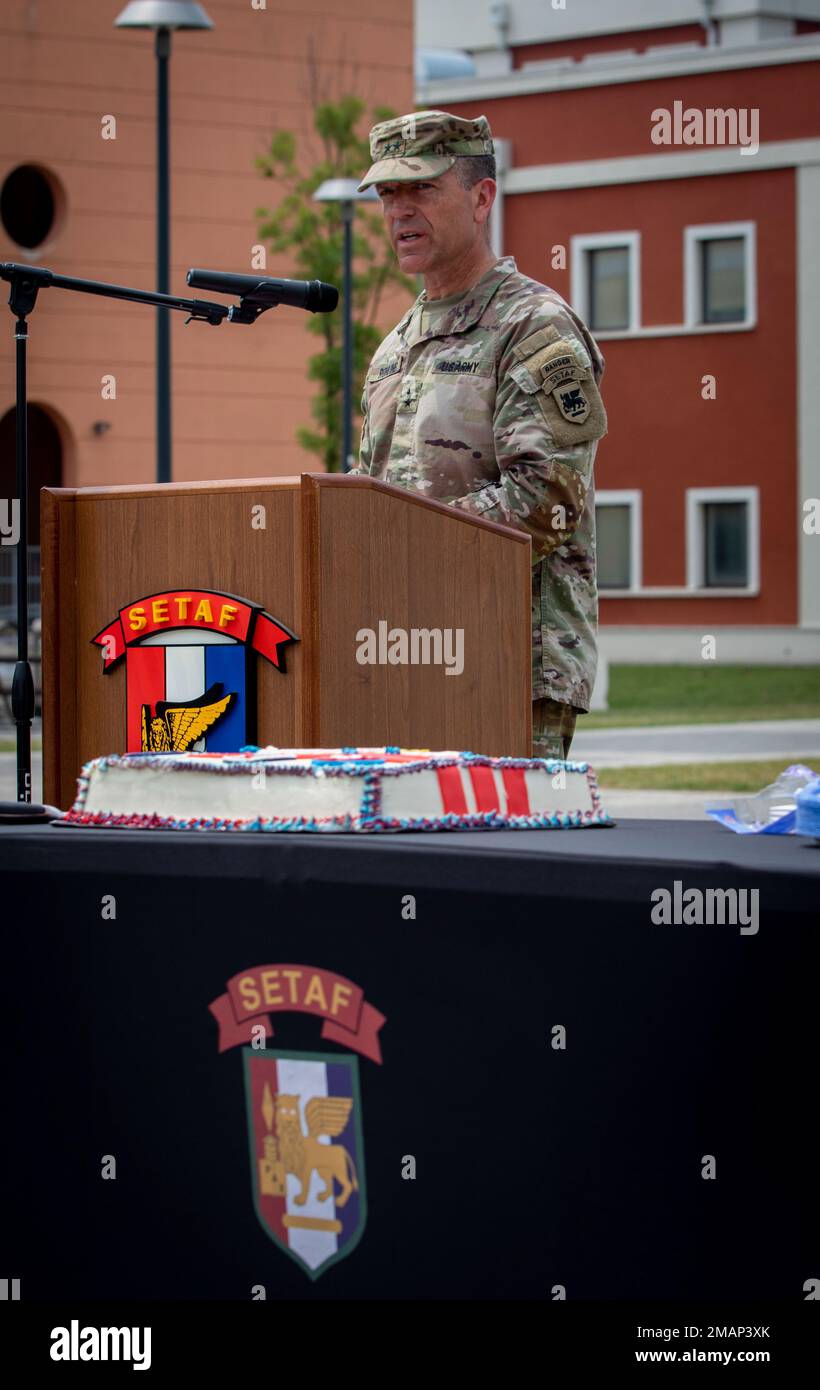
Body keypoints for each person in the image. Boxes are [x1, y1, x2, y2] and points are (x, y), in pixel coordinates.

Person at [351, 109, 607, 759]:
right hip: (402, 656)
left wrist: (403, 548)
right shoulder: (394, 349)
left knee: (495, 856)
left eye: (423, 189)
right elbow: (372, 492)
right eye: (388, 194)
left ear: (481, 196)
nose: (400, 212)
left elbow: (550, 497)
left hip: (509, 663)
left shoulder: (534, 327)